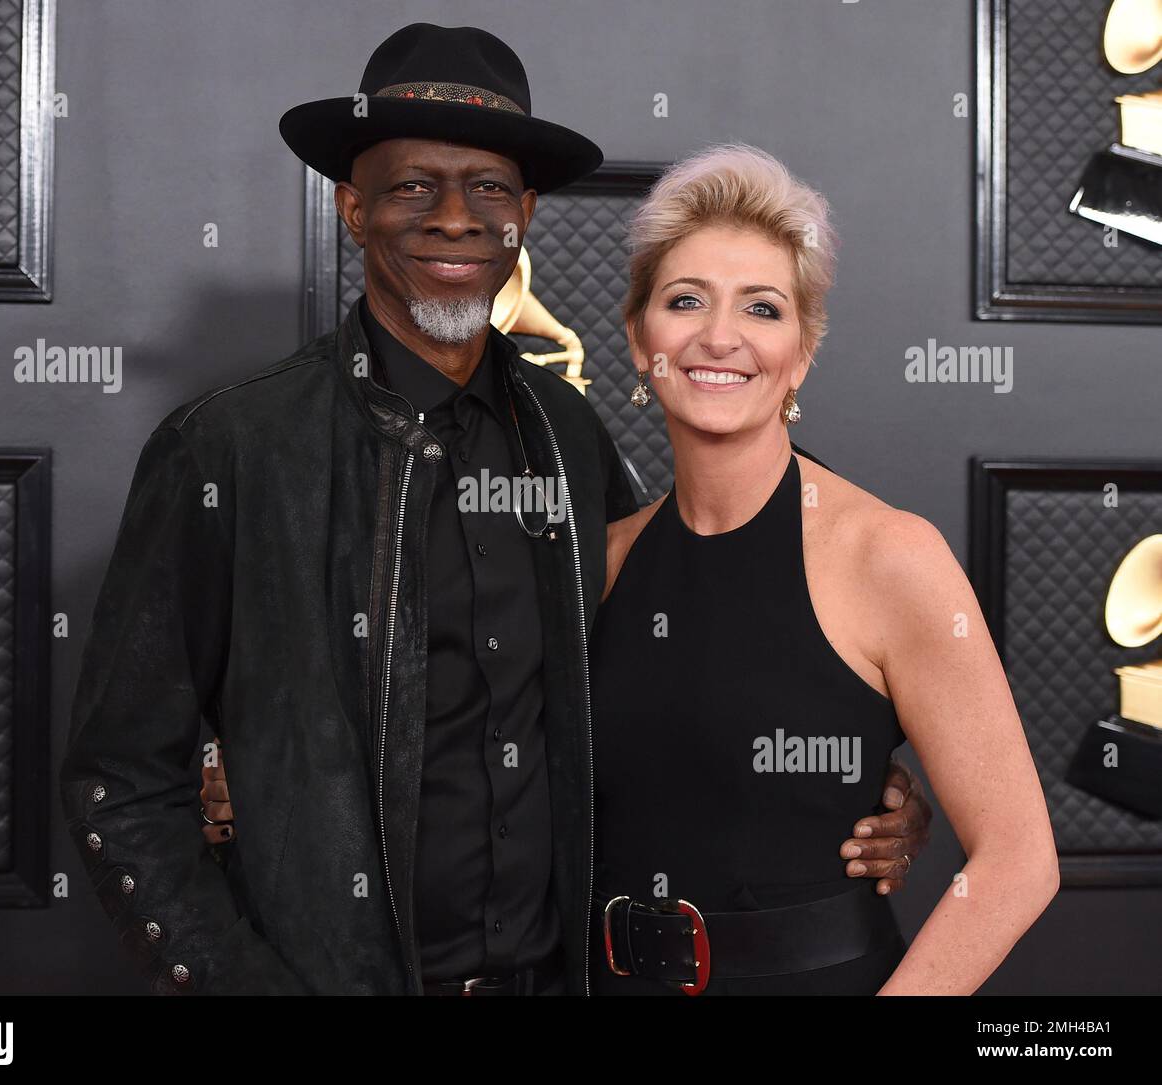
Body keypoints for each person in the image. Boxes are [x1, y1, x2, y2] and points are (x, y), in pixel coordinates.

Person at [61, 22, 929, 997]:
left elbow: (673, 675)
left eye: (487, 187)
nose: (453, 217)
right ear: (352, 208)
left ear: (523, 215)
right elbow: (121, 778)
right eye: (410, 185)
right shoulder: (230, 447)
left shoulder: (567, 435)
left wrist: (851, 786)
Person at [587, 144, 1058, 994]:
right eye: (685, 299)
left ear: (801, 352)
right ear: (638, 337)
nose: (720, 336)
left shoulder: (890, 555)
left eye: (762, 308)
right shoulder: (608, 559)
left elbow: (1020, 860)